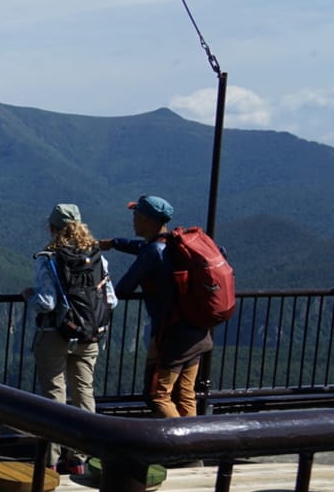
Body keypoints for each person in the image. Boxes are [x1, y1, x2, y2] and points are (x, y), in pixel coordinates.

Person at [24, 203, 116, 473]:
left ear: (53, 228)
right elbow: (112, 299)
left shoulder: (49, 257)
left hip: (56, 334)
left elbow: (46, 303)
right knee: (84, 394)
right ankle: (80, 458)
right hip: (90, 336)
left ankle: (50, 461)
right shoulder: (98, 257)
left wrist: (27, 294)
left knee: (54, 395)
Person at [101, 195, 212, 417]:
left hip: (172, 335)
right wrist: (114, 243)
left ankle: (181, 445)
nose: (133, 220)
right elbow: (143, 247)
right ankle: (194, 447)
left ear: (147, 219)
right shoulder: (174, 243)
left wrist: (101, 284)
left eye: (136, 215)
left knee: (157, 395)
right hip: (198, 329)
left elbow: (123, 288)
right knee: (185, 394)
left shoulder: (153, 252)